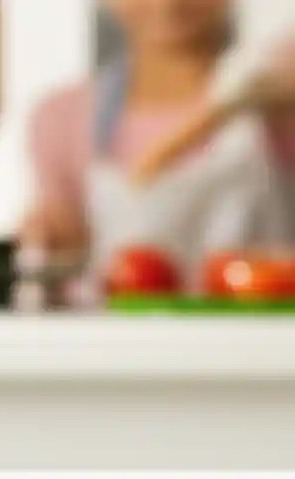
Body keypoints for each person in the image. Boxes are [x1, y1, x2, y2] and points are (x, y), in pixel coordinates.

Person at [24, 0, 295, 291]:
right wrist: (52, 241)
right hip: (118, 331)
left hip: (261, 330)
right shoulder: (63, 117)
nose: (167, 3)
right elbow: (60, 259)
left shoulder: (277, 102)